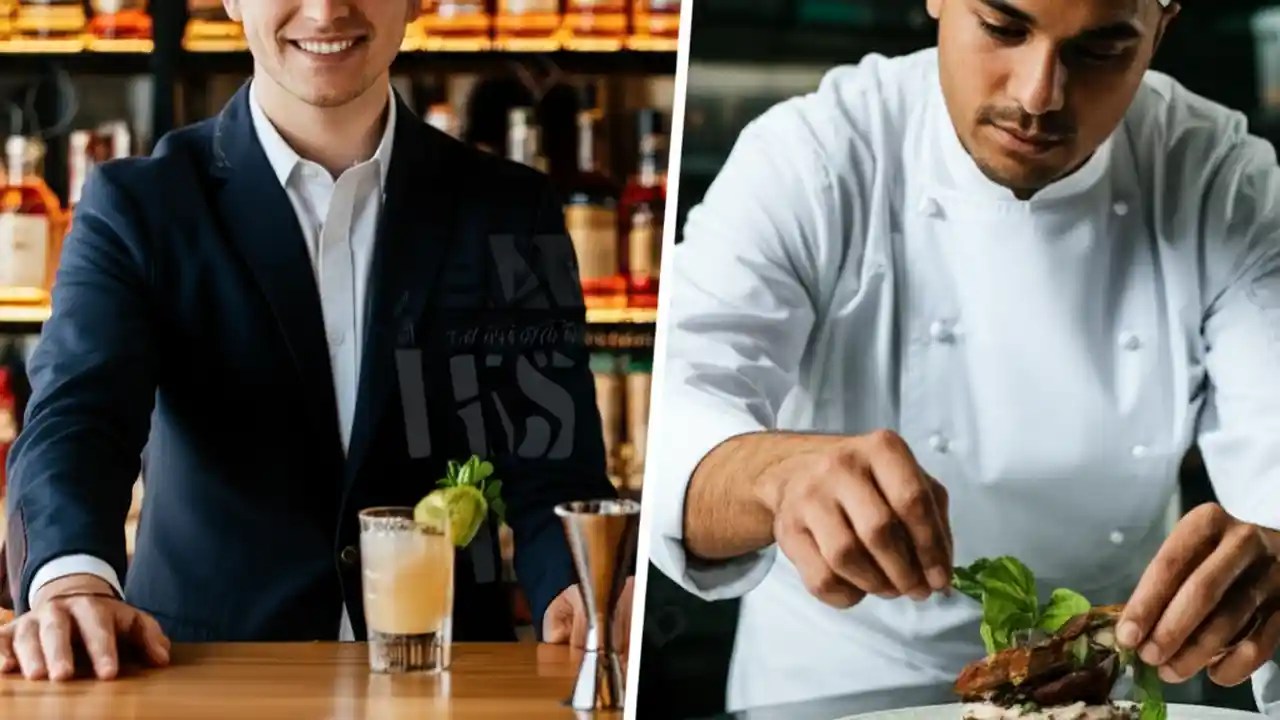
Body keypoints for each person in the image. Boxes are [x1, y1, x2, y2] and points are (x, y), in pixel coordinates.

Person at [648, 0, 1280, 713]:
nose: (1038, 94)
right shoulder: (817, 153)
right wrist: (778, 476)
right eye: (1004, 28)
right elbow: (676, 419)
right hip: (838, 689)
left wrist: (1267, 562)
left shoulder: (1221, 179)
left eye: (1100, 50)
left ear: (1162, 25)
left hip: (1112, 685)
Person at [0, 0, 632, 682]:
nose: (328, 9)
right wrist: (71, 583)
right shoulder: (139, 205)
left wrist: (576, 586)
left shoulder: (510, 210)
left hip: (442, 676)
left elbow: (550, 460)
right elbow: (79, 416)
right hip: (201, 677)